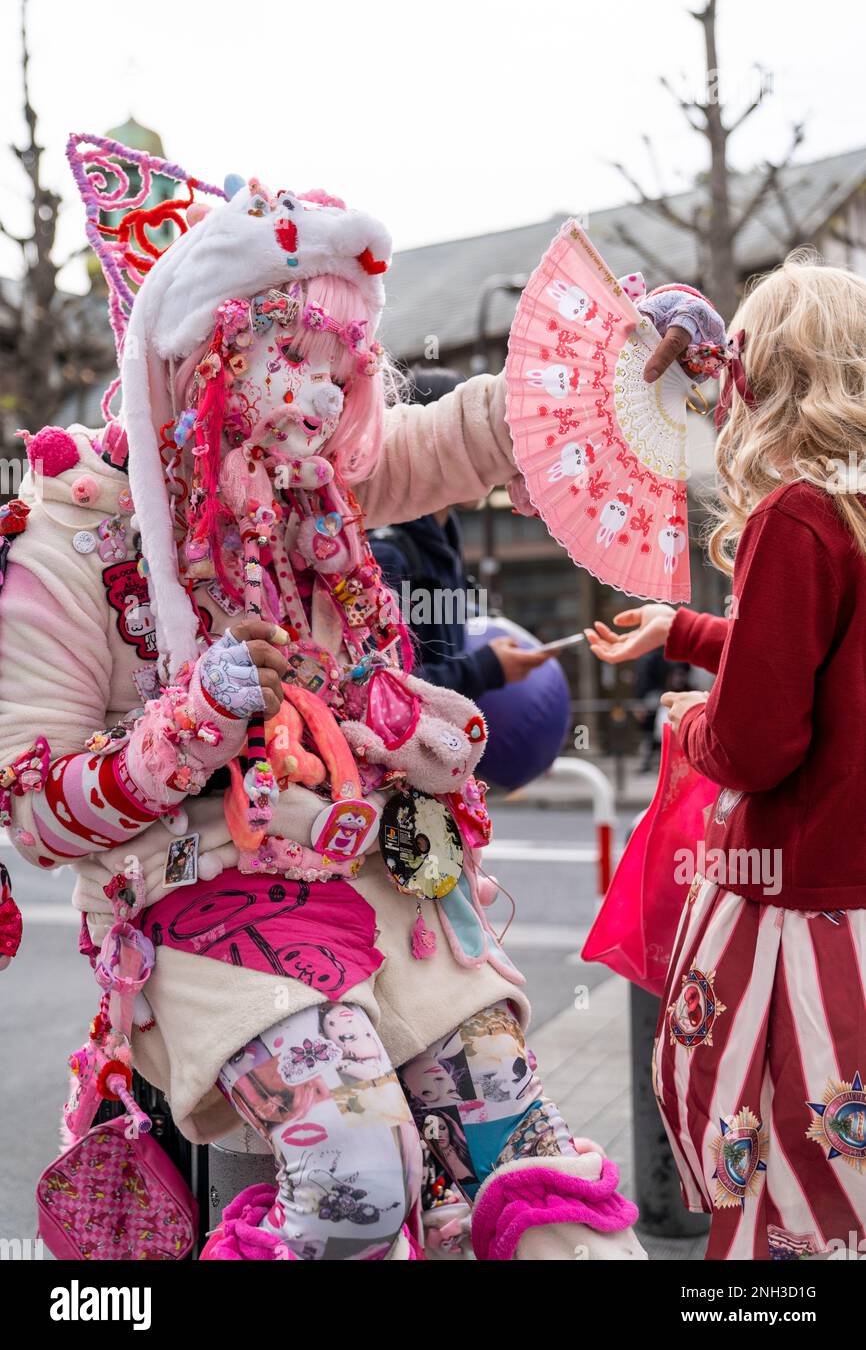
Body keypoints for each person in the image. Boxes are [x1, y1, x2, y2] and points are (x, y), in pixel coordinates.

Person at [0, 135, 705, 1260]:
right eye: (295, 353)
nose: (325, 395)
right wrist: (196, 717)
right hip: (204, 911)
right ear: (201, 353)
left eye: (343, 362)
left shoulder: (302, 472)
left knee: (528, 1157)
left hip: (388, 878)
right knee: (353, 1185)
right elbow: (37, 805)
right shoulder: (72, 525)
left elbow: (457, 435)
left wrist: (613, 371)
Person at [585, 251, 866, 1261]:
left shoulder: (795, 512)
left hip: (799, 911)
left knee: (769, 1205)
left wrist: (685, 725)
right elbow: (834, 674)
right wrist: (689, 632)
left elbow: (755, 742)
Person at [370, 366, 556, 699]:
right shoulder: (386, 555)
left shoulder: (444, 543)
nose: (487, 461)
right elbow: (381, 687)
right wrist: (485, 668)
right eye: (472, 439)